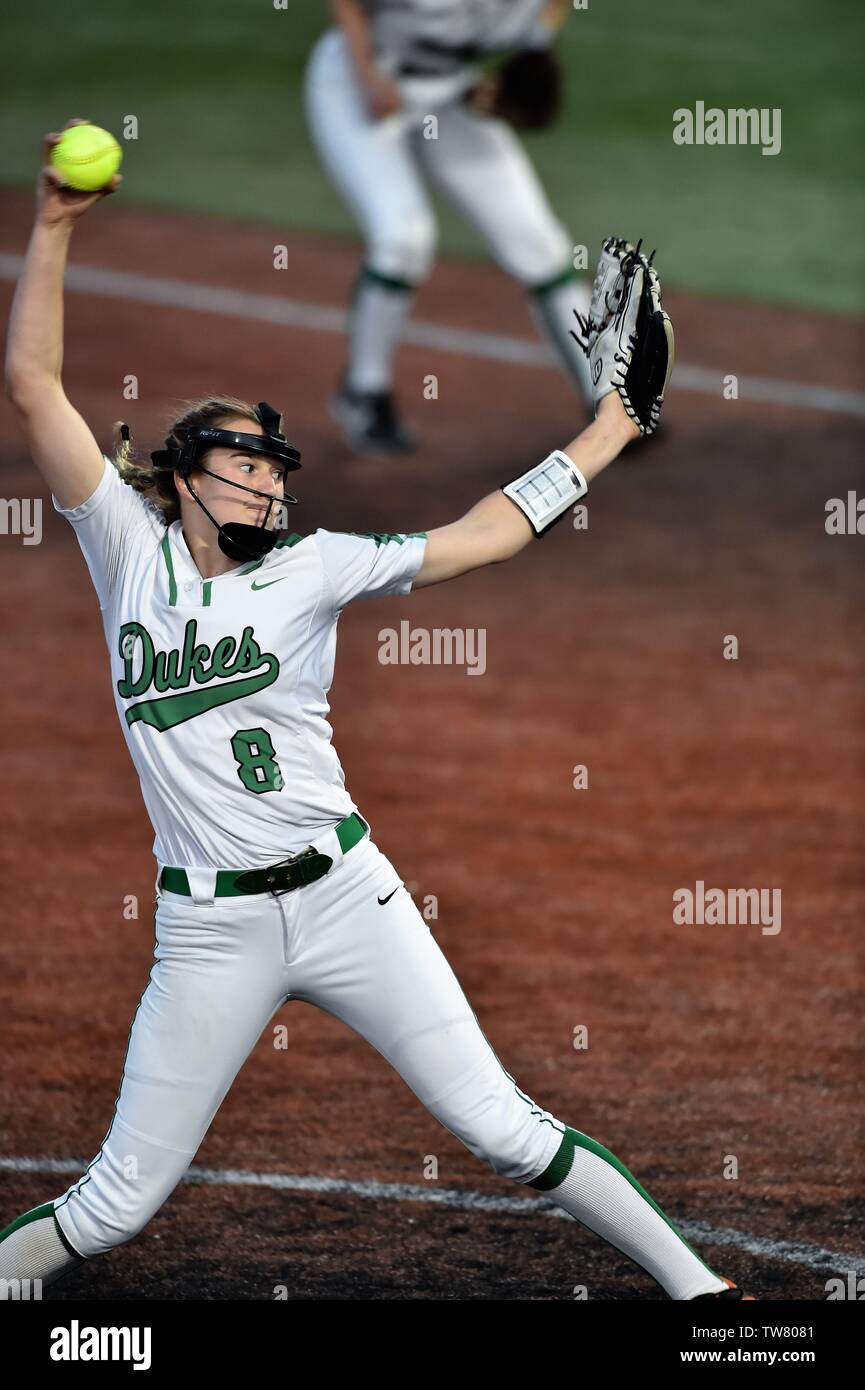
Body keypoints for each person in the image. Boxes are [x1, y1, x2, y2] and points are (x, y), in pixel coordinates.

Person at [0, 121, 751, 1302]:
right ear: (186, 476)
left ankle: (706, 1300)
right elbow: (33, 387)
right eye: (245, 464)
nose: (268, 481)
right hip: (210, 933)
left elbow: (480, 535)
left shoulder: (316, 567)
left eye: (275, 468)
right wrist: (51, 223)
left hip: (351, 895)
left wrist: (611, 427)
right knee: (117, 1201)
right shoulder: (123, 552)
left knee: (504, 1128)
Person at [304, 0, 595, 455]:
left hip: (452, 94)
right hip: (359, 84)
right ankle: (363, 392)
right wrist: (367, 75)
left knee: (541, 246)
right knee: (404, 240)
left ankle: (605, 399)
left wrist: (537, 47)